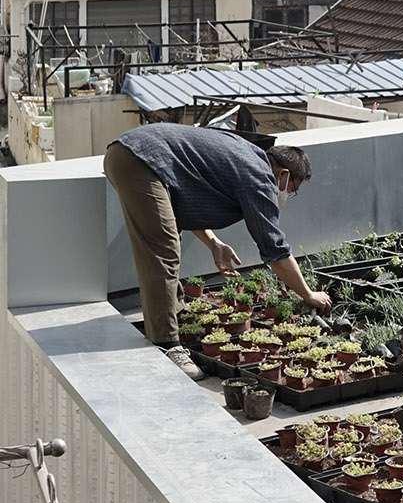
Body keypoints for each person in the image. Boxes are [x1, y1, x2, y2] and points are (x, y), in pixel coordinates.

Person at [104, 122, 332, 380]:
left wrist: (214, 243)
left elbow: (185, 197)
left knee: (168, 235)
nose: (286, 194)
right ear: (283, 173)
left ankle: (174, 315)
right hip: (141, 159)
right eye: (292, 189)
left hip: (131, 153)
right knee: (163, 250)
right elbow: (274, 248)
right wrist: (308, 293)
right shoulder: (259, 175)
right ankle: (167, 345)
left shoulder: (245, 155)